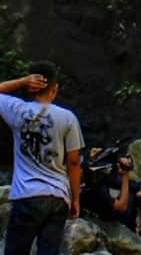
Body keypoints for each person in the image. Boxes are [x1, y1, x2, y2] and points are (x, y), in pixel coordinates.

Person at [0, 61, 84, 255]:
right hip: (57, 196)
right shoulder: (68, 117)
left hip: (27, 194)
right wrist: (75, 200)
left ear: (31, 87)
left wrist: (22, 81)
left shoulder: (16, 109)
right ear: (54, 89)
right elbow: (73, 163)